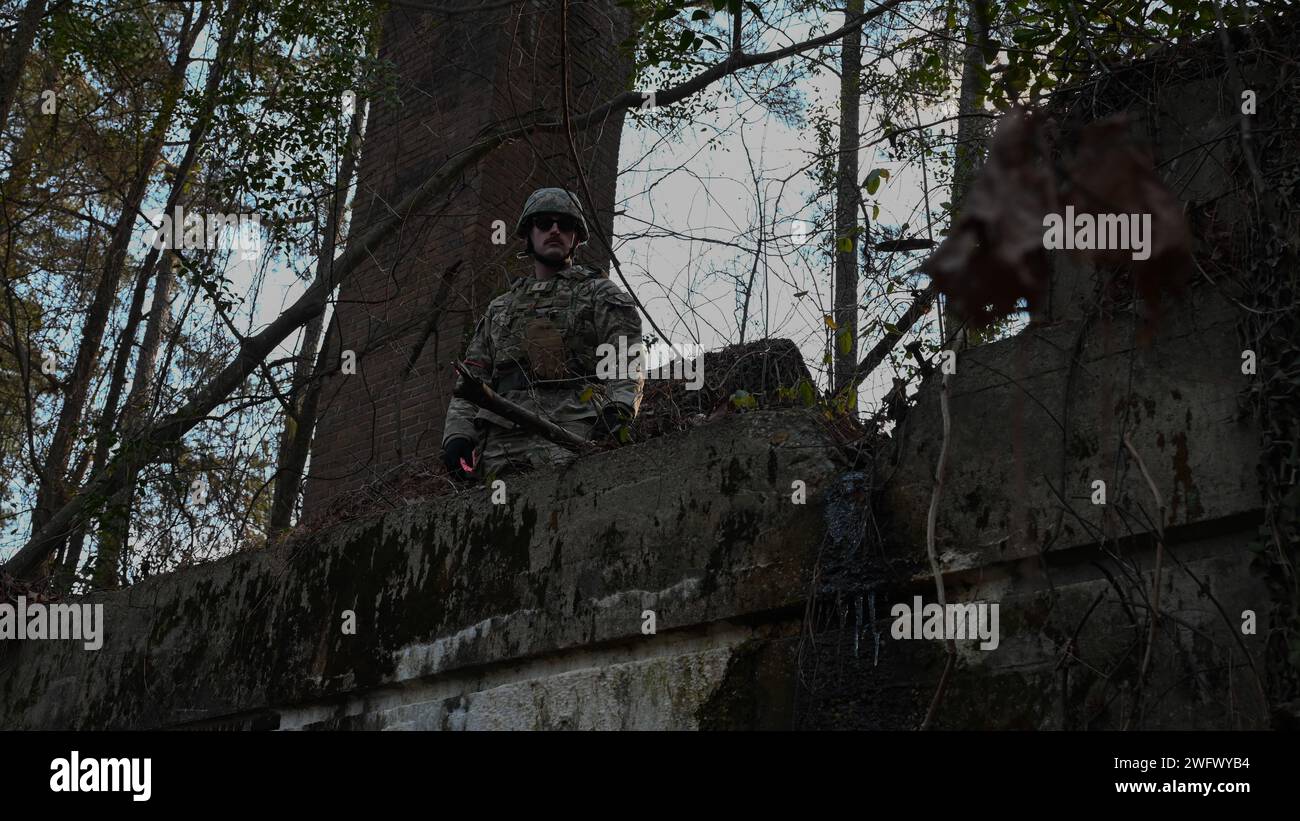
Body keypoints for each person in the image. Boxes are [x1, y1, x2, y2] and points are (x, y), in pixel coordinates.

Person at [441, 187, 643, 480]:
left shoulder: (600, 294)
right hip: (501, 443)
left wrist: (618, 409)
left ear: (576, 236)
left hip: (573, 429)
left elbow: (626, 354)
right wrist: (458, 435)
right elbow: (472, 380)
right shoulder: (501, 308)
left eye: (565, 224)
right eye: (544, 223)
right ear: (529, 233)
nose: (555, 230)